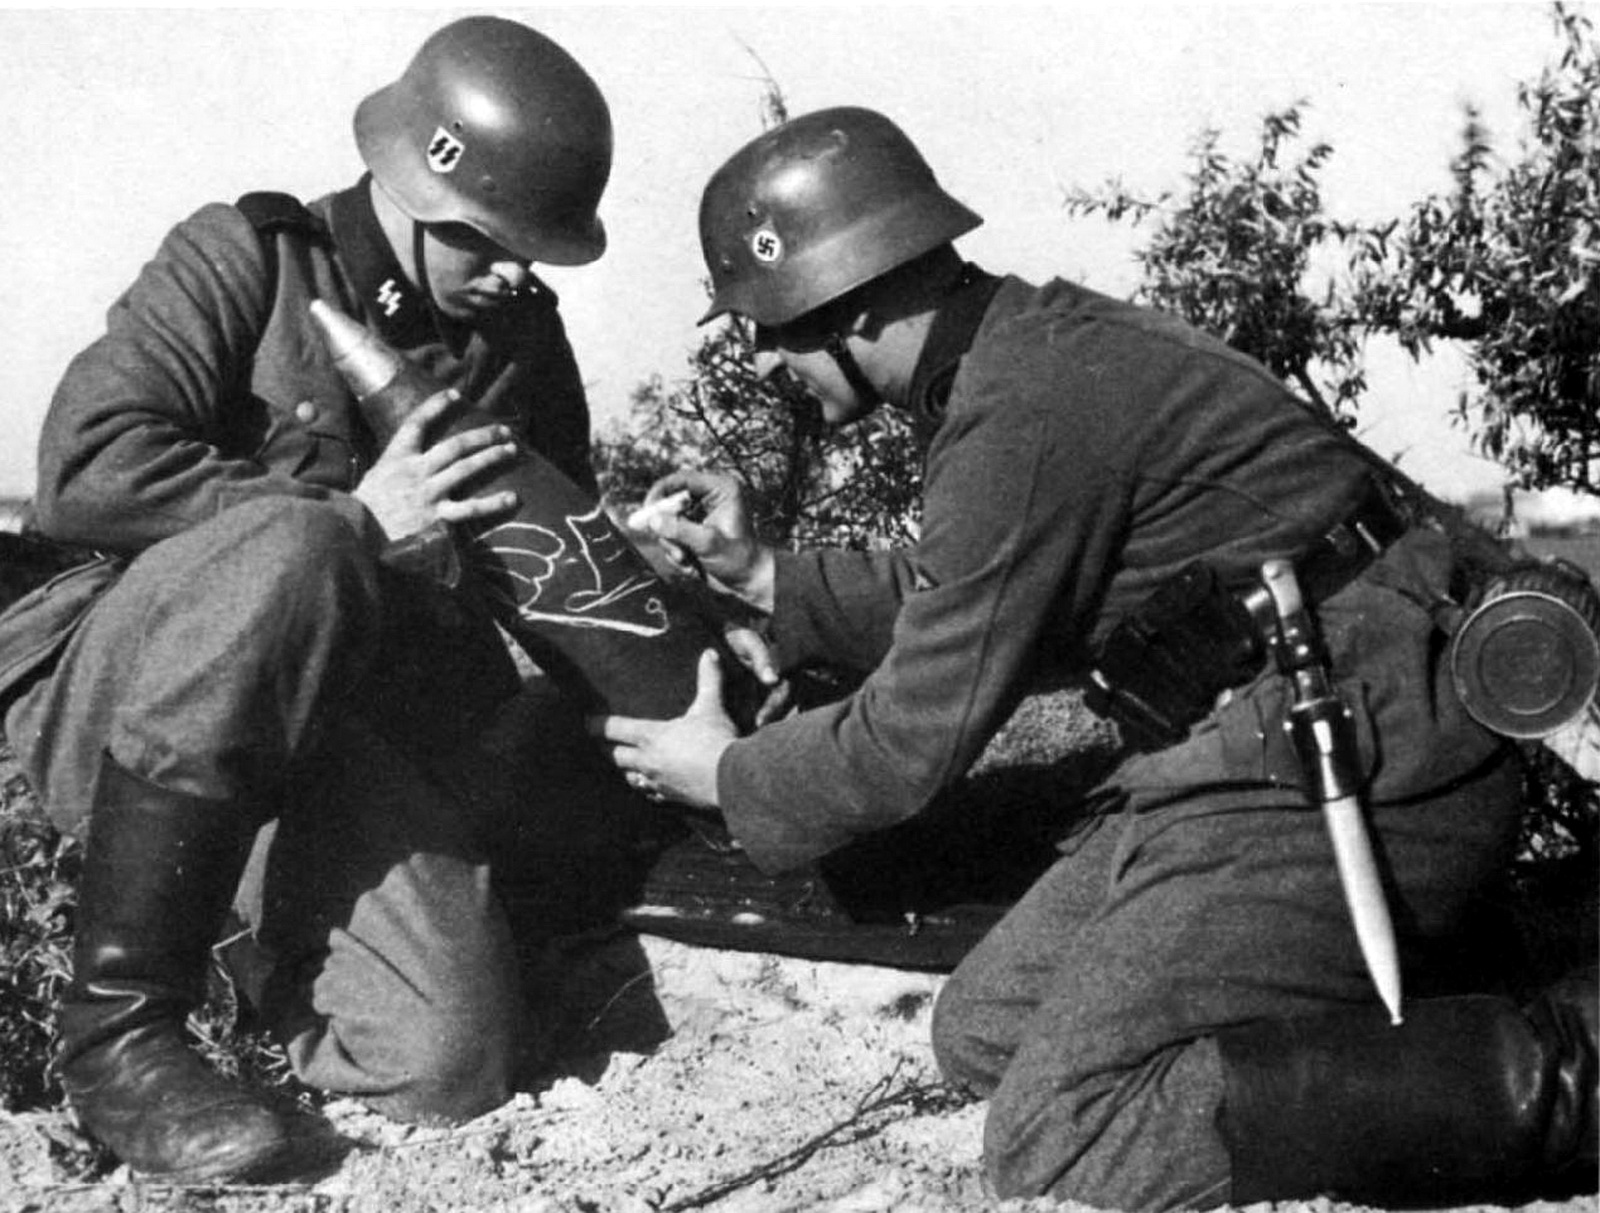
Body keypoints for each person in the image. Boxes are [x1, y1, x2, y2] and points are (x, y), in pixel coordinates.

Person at [595, 106, 1598, 1209]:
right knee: (985, 1030)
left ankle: (1571, 1074)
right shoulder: (1023, 353)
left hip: (1355, 766)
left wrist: (726, 774)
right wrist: (767, 577)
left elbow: (904, 743)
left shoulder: (1019, 405)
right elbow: (974, 591)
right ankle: (1409, 981)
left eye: (772, 325)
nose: (760, 355)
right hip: (1275, 738)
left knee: (1062, 1136)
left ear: (852, 297)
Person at [0, 17, 616, 1182]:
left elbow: (557, 561)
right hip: (135, 688)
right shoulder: (248, 256)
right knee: (305, 541)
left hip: (326, 734)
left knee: (446, 1057)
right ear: (418, 186)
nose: (519, 274)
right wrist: (362, 523)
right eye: (497, 243)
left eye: (537, 253)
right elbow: (84, 469)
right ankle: (119, 1032)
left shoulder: (519, 342)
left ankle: (244, 950)